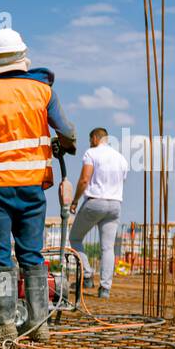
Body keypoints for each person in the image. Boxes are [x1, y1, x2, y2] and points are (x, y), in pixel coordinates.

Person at [0, 29, 75, 341]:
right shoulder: (43, 91)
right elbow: (67, 130)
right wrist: (65, 144)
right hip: (32, 188)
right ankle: (39, 324)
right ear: (23, 56)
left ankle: (4, 322)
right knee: (31, 252)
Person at [68, 127, 128, 299]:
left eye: (90, 140)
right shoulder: (121, 159)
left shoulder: (91, 153)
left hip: (95, 202)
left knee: (75, 238)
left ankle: (87, 276)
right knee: (108, 247)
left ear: (95, 138)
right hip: (115, 204)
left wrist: (75, 201)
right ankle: (105, 288)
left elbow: (85, 179)